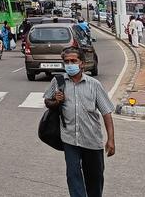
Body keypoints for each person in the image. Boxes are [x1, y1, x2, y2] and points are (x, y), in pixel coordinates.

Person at [44, 47, 116, 197]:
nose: (70, 64)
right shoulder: (58, 81)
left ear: (82, 64)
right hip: (70, 139)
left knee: (95, 179)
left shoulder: (94, 84)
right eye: (66, 61)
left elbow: (106, 112)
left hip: (92, 139)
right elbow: (47, 102)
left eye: (73, 61)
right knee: (73, 176)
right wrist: (55, 101)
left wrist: (111, 140)